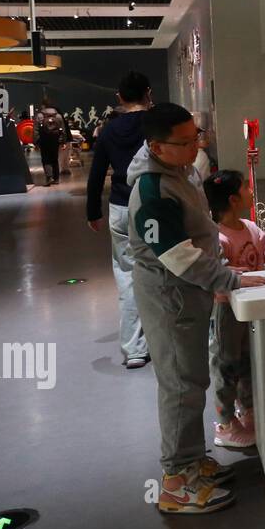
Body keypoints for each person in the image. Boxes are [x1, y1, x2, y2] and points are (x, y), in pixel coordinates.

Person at [126, 103, 265, 515]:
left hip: (188, 295)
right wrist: (231, 278)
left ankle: (190, 462)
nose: (196, 147)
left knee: (191, 382)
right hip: (170, 297)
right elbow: (178, 255)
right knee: (180, 386)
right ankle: (175, 482)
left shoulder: (181, 171)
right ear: (157, 147)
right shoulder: (152, 190)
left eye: (197, 137)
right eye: (186, 141)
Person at [203, 170, 265, 450]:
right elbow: (217, 270)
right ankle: (225, 424)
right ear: (234, 199)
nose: (252, 191)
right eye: (247, 188)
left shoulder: (250, 228)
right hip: (227, 311)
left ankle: (246, 409)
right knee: (225, 363)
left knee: (247, 361)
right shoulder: (216, 237)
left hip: (252, 309)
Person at [86, 71, 154, 368]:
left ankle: (134, 349)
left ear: (119, 98)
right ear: (148, 93)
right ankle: (164, 339)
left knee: (127, 275)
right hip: (154, 205)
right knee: (162, 270)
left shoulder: (109, 131)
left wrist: (93, 211)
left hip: (120, 207)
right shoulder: (156, 125)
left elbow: (97, 172)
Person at [33, 98, 65, 185]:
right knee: (54, 158)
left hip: (44, 139)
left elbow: (36, 130)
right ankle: (56, 178)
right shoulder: (58, 116)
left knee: (46, 158)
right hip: (55, 139)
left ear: (43, 105)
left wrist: (36, 141)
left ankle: (49, 177)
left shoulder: (39, 116)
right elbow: (62, 129)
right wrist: (62, 141)